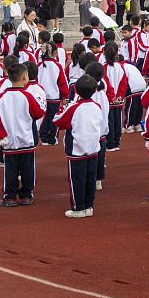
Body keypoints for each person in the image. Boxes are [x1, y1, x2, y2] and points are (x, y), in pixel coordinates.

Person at [53, 75, 103, 217]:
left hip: (77, 151)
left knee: (77, 180)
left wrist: (64, 107)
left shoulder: (74, 107)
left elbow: (58, 121)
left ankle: (78, 207)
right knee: (90, 180)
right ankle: (89, 206)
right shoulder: (97, 106)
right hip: (93, 149)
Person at [0, 62, 44, 205]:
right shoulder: (28, 96)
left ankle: (9, 196)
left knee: (10, 171)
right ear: (25, 77)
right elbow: (38, 113)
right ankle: (26, 194)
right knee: (28, 170)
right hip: (26, 139)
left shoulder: (1, 97)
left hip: (9, 141)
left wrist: (0, 137)